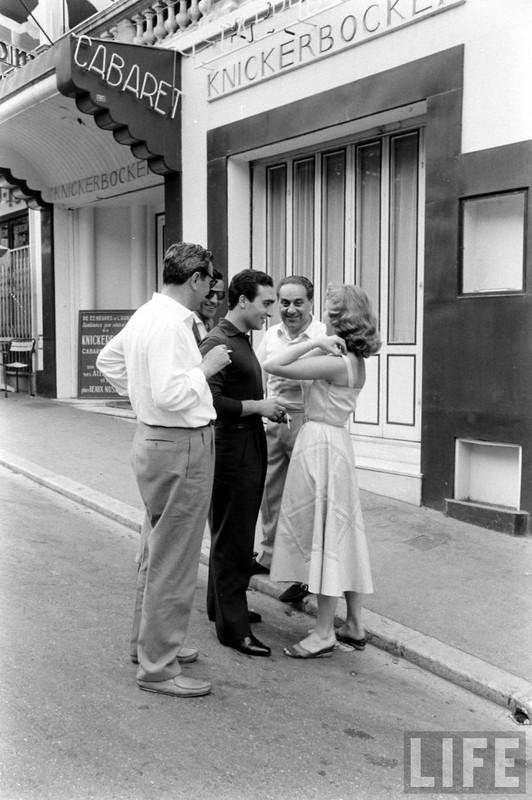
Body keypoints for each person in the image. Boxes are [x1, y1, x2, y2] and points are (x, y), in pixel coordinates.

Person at [96, 242, 231, 697]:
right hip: (180, 445)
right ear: (195, 279)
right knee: (175, 557)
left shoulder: (146, 314)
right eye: (210, 279)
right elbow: (174, 394)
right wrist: (205, 366)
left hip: (152, 440)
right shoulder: (173, 324)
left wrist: (143, 396)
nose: (211, 287)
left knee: (157, 550)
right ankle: (158, 667)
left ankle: (148, 645)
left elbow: (106, 361)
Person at [263, 284, 380, 659]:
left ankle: (324, 632)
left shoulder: (335, 359)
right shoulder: (354, 360)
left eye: (330, 311)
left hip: (320, 444)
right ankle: (354, 625)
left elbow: (274, 364)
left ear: (340, 317)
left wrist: (315, 343)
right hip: (336, 443)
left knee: (326, 537)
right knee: (341, 533)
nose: (324, 317)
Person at [199, 269, 287, 657]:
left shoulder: (240, 340)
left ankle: (221, 606)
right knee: (232, 537)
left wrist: (263, 410)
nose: (271, 311)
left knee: (233, 532)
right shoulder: (218, 342)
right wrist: (260, 407)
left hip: (245, 442)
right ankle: (233, 629)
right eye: (266, 303)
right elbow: (211, 403)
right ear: (242, 301)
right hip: (232, 448)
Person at [252, 276, 326, 605]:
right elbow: (259, 373)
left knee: (304, 497)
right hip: (272, 418)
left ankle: (304, 573)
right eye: (284, 303)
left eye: (298, 303)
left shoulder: (322, 335)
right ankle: (267, 555)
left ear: (311, 303)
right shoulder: (270, 335)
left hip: (306, 420)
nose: (291, 310)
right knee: (271, 490)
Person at [193, 269, 225, 344]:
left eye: (220, 295)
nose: (214, 300)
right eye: (209, 293)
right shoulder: (187, 324)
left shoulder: (209, 325)